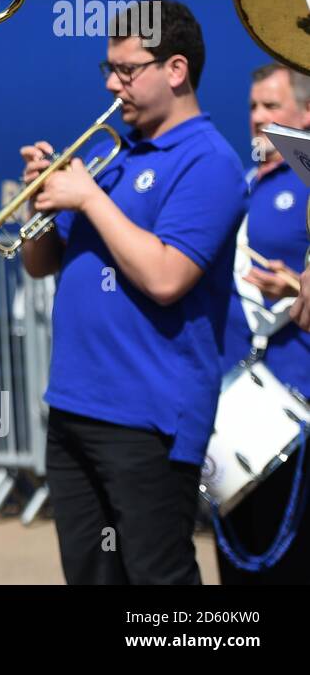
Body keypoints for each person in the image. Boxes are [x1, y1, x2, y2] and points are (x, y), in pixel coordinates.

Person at [20, 0, 246, 585]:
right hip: (73, 402)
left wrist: (89, 199)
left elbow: (167, 278)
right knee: (93, 577)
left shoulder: (210, 161)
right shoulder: (106, 151)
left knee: (160, 584)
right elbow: (40, 264)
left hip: (149, 415)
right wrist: (39, 201)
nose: (114, 85)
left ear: (175, 70)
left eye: (127, 70)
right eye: (109, 70)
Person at [215, 62, 310, 584]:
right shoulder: (243, 182)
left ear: (306, 114)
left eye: (271, 107)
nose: (257, 118)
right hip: (235, 406)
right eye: (253, 106)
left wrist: (298, 285)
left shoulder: (308, 185)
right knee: (237, 570)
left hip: (295, 409)